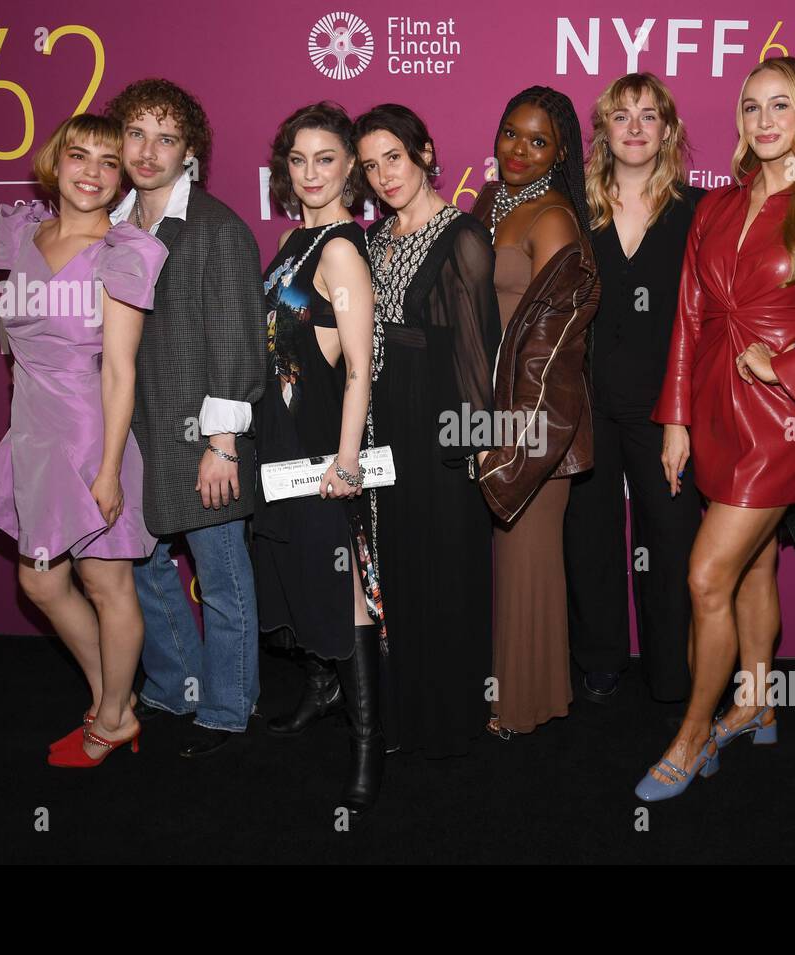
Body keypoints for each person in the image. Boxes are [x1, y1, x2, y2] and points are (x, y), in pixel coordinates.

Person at [636, 56, 795, 800]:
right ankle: (757, 700)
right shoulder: (718, 205)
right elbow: (689, 315)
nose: (764, 120)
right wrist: (676, 418)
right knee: (753, 567)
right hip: (713, 409)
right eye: (751, 107)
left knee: (704, 574)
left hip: (781, 418)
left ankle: (693, 736)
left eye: (780, 106)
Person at [0, 114, 168, 766]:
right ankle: (111, 697)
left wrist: (109, 469)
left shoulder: (121, 251)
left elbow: (119, 371)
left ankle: (112, 717)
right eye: (79, 155)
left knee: (106, 583)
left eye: (108, 162)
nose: (92, 171)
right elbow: (17, 345)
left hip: (89, 437)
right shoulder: (20, 234)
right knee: (42, 584)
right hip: (33, 433)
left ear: (121, 179)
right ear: (54, 163)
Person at [105, 79, 267, 758]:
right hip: (129, 434)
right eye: (136, 133)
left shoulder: (216, 229)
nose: (148, 150)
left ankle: (229, 706)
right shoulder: (108, 226)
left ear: (189, 151)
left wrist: (222, 444)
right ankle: (179, 684)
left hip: (200, 438)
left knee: (223, 577)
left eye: (166, 137)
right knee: (141, 567)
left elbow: (236, 339)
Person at [353, 104, 501, 758]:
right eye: (370, 165)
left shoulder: (462, 234)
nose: (384, 174)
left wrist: (474, 448)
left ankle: (453, 714)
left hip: (439, 421)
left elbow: (477, 351)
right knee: (395, 561)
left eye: (394, 156)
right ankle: (402, 705)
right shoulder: (374, 238)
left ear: (424, 150)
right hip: (381, 417)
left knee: (448, 563)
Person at [250, 102, 382, 811]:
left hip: (324, 448)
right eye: (297, 160)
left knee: (348, 594)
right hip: (281, 444)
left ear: (350, 169)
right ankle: (322, 688)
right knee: (297, 575)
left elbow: (360, 367)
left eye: (325, 159)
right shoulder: (289, 245)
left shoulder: (338, 248)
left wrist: (348, 459)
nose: (309, 173)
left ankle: (368, 749)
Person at [564, 72, 702, 706]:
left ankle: (670, 670)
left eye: (650, 116)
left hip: (665, 406)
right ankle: (600, 657)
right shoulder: (575, 208)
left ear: (667, 130)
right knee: (590, 535)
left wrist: (682, 414)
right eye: (623, 116)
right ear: (603, 133)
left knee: (669, 539)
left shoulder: (696, 212)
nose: (637, 128)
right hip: (588, 404)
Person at [473, 86, 600, 738]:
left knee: (526, 564)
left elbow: (556, 341)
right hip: (486, 413)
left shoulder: (552, 219)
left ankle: (519, 707)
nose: (519, 150)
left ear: (559, 154)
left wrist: (520, 431)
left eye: (538, 141)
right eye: (510, 133)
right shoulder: (493, 203)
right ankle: (535, 689)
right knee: (506, 562)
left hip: (535, 421)